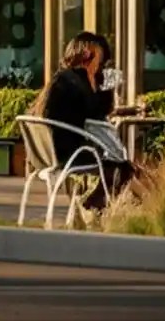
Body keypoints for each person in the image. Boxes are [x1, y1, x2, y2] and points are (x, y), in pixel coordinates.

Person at [31, 31, 139, 212]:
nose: (101, 62)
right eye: (99, 55)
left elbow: (90, 114)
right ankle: (93, 207)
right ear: (87, 53)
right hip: (70, 152)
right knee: (122, 169)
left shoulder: (64, 78)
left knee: (122, 167)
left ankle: (95, 206)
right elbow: (95, 116)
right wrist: (107, 87)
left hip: (54, 151)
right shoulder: (74, 82)